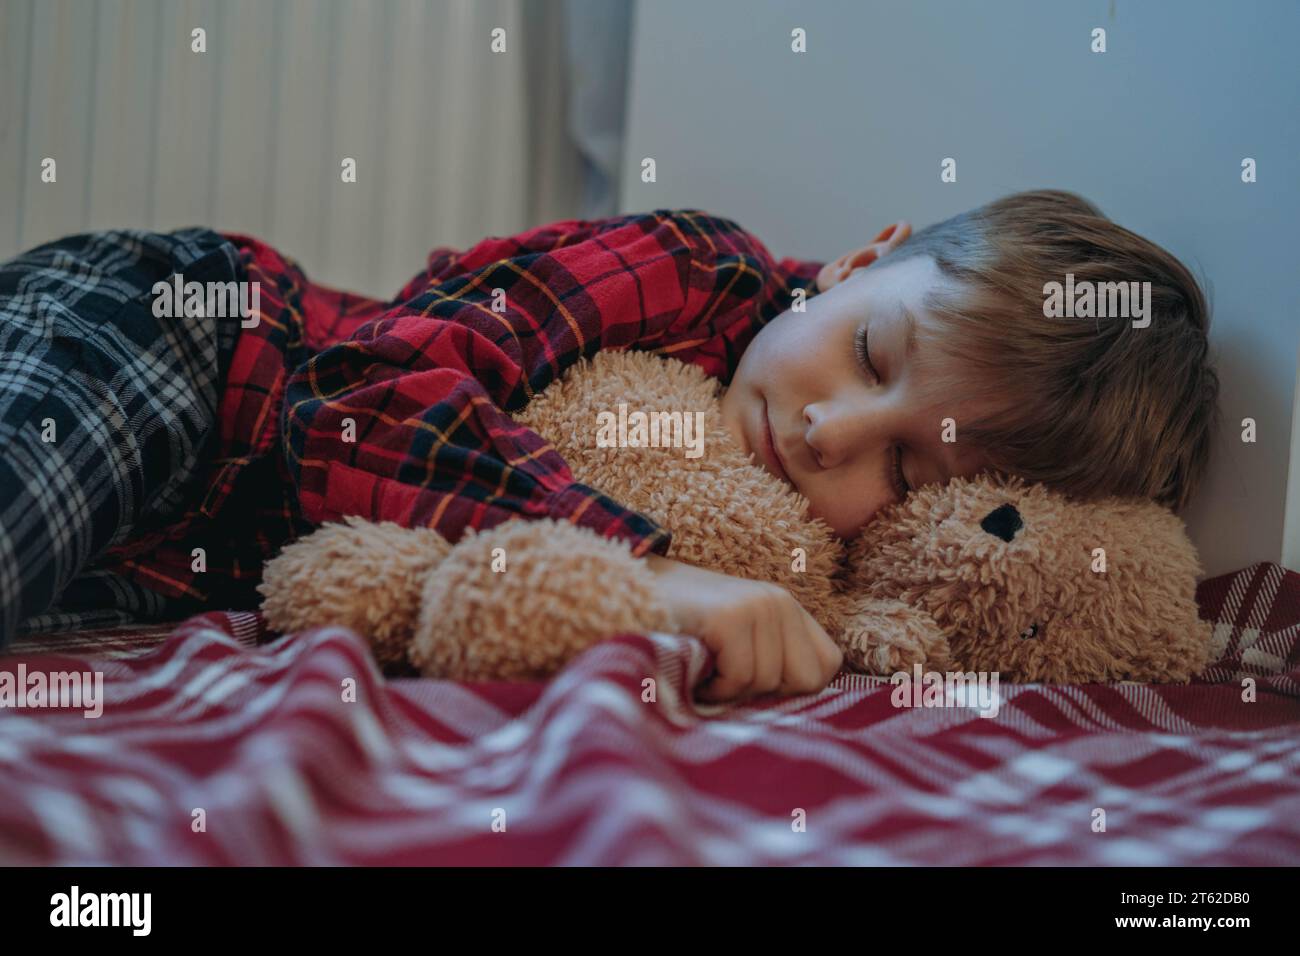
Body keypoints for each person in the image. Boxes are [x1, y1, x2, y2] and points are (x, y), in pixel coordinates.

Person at [0, 192, 1219, 701]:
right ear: (858, 263)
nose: (826, 432)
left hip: (195, 545)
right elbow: (362, 394)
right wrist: (644, 569)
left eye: (902, 471)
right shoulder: (683, 269)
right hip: (198, 339)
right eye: (868, 354)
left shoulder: (800, 552)